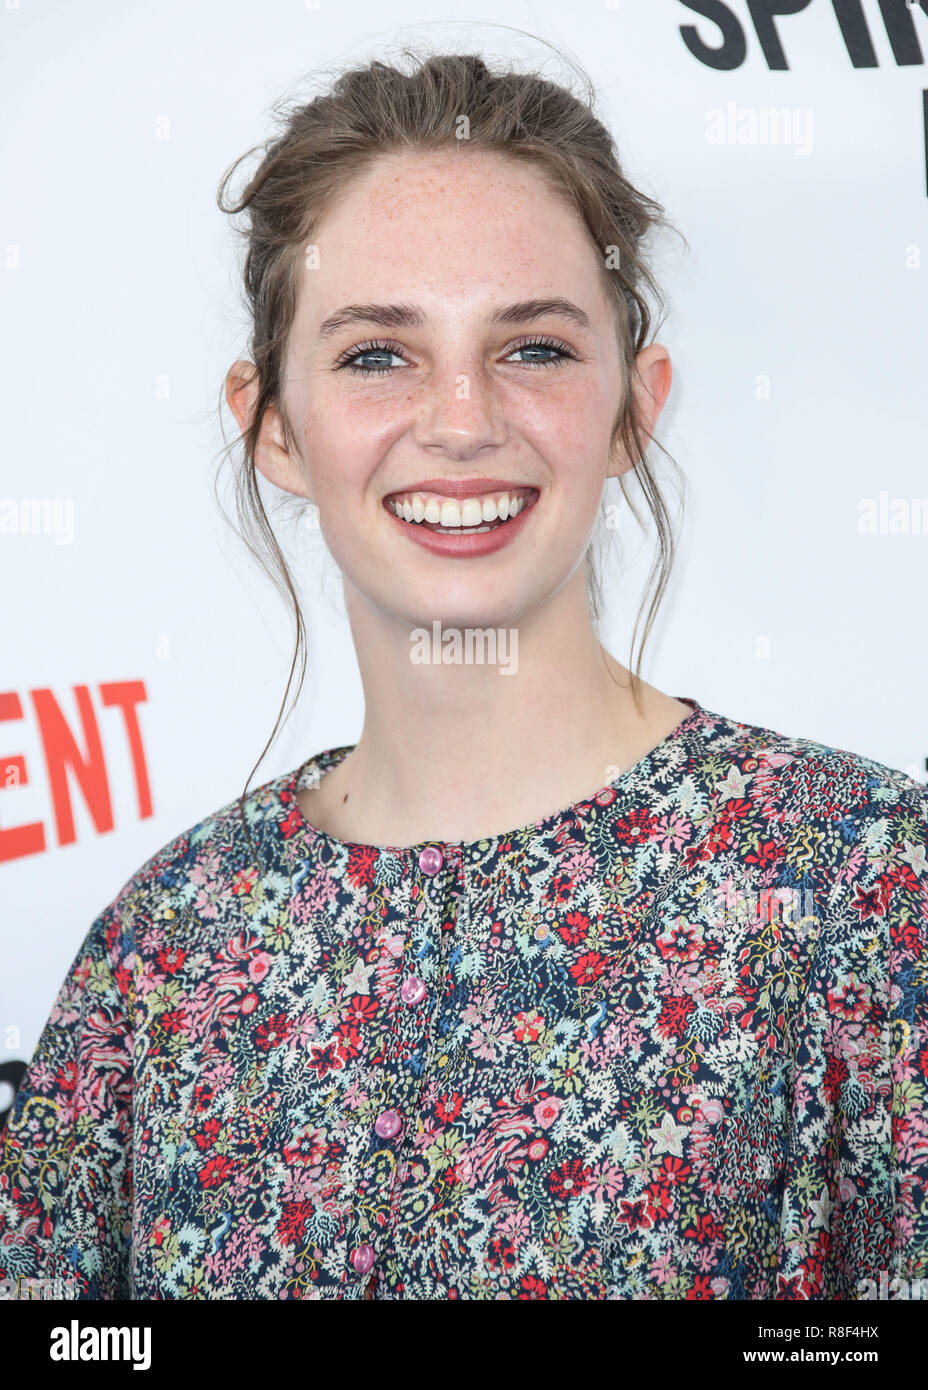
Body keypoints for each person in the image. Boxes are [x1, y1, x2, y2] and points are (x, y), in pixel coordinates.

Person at [1, 48, 926, 1303]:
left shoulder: (864, 885)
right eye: (376, 353)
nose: (459, 418)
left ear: (629, 410)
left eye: (533, 348)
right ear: (272, 424)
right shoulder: (166, 947)